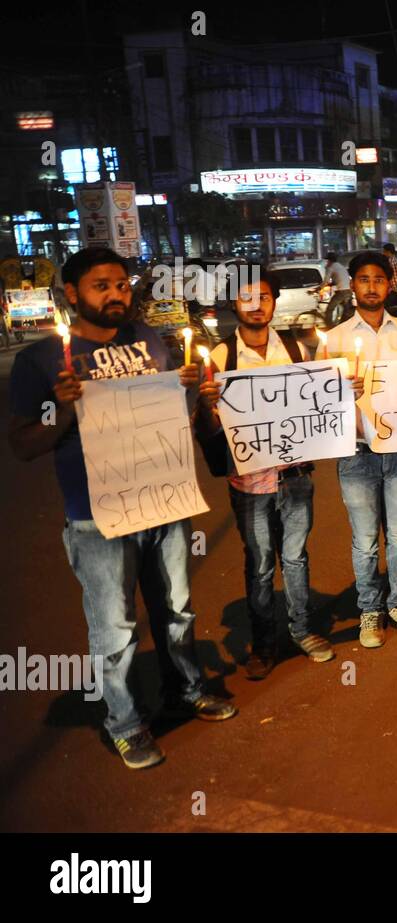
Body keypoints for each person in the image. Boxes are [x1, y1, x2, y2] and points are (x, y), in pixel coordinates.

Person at [8, 247, 237, 770]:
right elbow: (23, 444)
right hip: (97, 517)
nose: (115, 293)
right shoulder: (39, 362)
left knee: (177, 610)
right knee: (114, 627)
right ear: (72, 294)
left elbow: (160, 416)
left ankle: (187, 689)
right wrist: (63, 409)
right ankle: (127, 724)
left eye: (121, 283)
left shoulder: (149, 340)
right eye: (100, 285)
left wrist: (190, 394)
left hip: (163, 501)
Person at [197, 270, 344, 678]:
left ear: (274, 302)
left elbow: (319, 408)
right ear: (234, 305)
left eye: (264, 296)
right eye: (247, 297)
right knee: (260, 562)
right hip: (249, 483)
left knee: (296, 557)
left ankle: (303, 630)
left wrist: (342, 390)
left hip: (295, 477)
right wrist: (204, 406)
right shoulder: (220, 359)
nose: (257, 305)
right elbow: (207, 431)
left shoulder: (297, 351)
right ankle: (264, 643)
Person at [327, 252, 397, 648]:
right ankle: (370, 610)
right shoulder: (334, 339)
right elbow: (315, 402)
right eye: (364, 279)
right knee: (365, 540)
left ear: (389, 285)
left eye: (379, 280)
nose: (371, 286)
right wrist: (337, 390)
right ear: (352, 285)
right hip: (355, 452)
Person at [324, 251, 351, 324]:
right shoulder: (340, 266)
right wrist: (331, 284)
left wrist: (318, 289)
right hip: (348, 290)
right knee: (346, 311)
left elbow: (325, 281)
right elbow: (339, 279)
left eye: (327, 261)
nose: (326, 262)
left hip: (342, 292)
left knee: (329, 309)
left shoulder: (331, 267)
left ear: (329, 260)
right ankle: (345, 325)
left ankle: (329, 326)